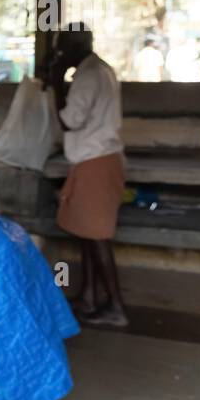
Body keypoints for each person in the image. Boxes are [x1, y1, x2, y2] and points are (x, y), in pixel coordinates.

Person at [49, 23, 128, 327]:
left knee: (96, 238)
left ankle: (116, 308)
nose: (59, 52)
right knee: (86, 233)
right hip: (97, 159)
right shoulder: (100, 70)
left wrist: (57, 82)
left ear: (76, 46)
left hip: (95, 161)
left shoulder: (88, 76)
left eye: (62, 46)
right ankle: (89, 297)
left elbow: (70, 120)